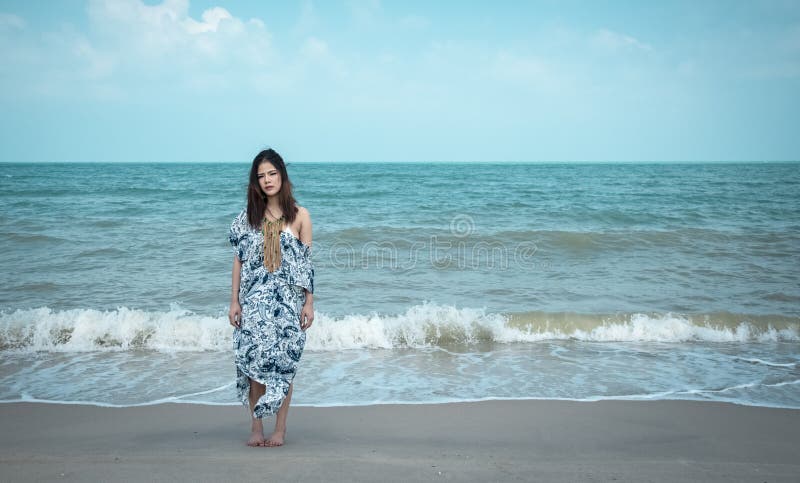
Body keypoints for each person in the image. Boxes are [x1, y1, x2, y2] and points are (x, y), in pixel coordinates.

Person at [228, 148, 315, 447]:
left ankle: (280, 429)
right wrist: (234, 301)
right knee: (254, 365)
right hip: (254, 303)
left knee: (284, 366)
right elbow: (238, 260)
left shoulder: (301, 216)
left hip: (289, 303)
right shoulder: (248, 218)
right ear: (256, 182)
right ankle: (256, 428)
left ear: (282, 175)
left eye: (272, 173)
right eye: (261, 176)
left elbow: (306, 264)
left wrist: (309, 302)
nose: (267, 180)